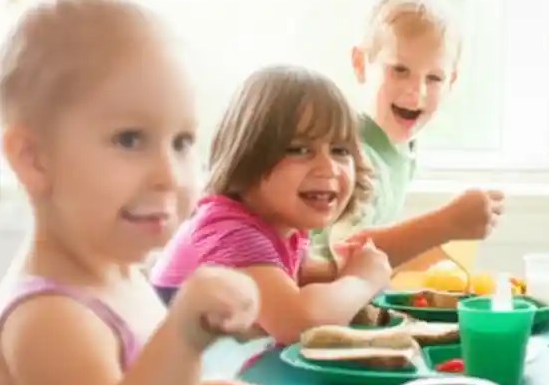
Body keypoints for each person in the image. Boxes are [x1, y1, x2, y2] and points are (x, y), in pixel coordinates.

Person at [0, 0, 259, 385]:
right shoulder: (50, 314)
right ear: (34, 159)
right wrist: (184, 340)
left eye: (184, 141)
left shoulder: (117, 274)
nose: (169, 173)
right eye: (130, 139)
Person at [150, 65, 390, 346]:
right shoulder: (228, 230)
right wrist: (361, 280)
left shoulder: (281, 227)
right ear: (247, 153)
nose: (329, 168)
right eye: (299, 149)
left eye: (340, 151)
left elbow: (293, 277)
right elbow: (297, 322)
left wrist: (341, 269)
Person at [309, 0, 503, 273]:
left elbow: (385, 246)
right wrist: (446, 223)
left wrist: (460, 282)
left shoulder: (398, 150)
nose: (416, 93)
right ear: (361, 64)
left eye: (435, 78)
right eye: (399, 70)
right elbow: (346, 254)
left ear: (453, 81)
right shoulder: (349, 152)